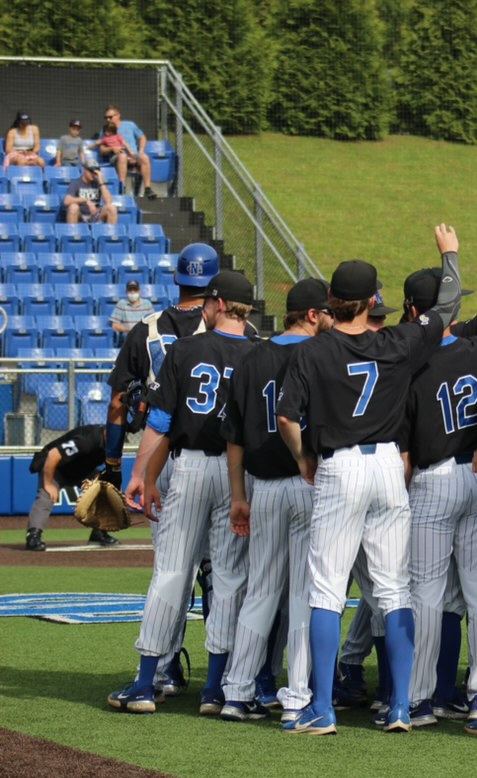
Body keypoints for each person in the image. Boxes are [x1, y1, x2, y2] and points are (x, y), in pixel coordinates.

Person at [276, 232, 461, 736]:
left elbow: (287, 418)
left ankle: (321, 707)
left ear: (330, 302)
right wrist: (449, 253)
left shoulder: (313, 352)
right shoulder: (398, 342)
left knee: (326, 589)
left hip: (339, 466)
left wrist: (303, 459)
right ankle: (400, 705)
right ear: (374, 300)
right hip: (387, 468)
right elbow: (447, 304)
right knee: (394, 588)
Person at [107, 271, 259, 716]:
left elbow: (159, 422)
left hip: (189, 465)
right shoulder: (259, 353)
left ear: (215, 303)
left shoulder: (187, 348)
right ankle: (216, 688)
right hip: (239, 474)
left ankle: (145, 682)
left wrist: (143, 476)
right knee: (229, 578)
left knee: (172, 571)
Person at [217, 278, 333, 724]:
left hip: (261, 488)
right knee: (304, 594)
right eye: (325, 312)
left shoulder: (251, 357)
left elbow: (234, 441)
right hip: (306, 482)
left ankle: (237, 690)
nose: (329, 319)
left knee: (261, 591)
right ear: (310, 315)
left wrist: (238, 496)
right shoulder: (318, 356)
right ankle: (297, 695)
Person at [399, 264, 477, 728]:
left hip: (434, 480)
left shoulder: (409, 361)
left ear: (411, 311)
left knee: (426, 591)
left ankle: (422, 699)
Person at [25, 424, 119, 552]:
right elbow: (53, 455)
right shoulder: (87, 440)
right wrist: (48, 484)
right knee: (46, 496)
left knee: (108, 490)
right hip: (56, 467)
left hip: (82, 471)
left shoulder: (114, 446)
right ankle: (33, 536)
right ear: (106, 432)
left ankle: (99, 533)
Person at [98, 104, 157, 198]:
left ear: (118, 115)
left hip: (133, 156)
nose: (108, 120)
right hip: (117, 158)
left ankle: (147, 189)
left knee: (144, 157)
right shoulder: (105, 130)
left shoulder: (130, 125)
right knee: (123, 156)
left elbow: (142, 137)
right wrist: (112, 149)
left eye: (110, 117)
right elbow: (101, 149)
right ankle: (122, 187)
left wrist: (140, 151)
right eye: (106, 118)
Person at [63, 157, 118, 225]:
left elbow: (108, 202)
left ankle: (110, 234)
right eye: (91, 171)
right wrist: (86, 201)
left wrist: (101, 182)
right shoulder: (76, 183)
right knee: (73, 208)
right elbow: (67, 201)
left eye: (95, 172)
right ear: (84, 170)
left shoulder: (98, 183)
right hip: (81, 215)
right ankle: (73, 234)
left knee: (111, 208)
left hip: (95, 215)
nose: (93, 174)